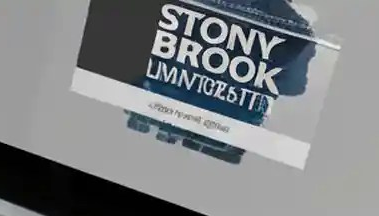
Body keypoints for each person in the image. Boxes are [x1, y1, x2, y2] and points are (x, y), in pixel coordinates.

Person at [126, 0, 318, 164]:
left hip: (152, 119)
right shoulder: (298, 29)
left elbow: (133, 47)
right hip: (222, 140)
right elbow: (294, 87)